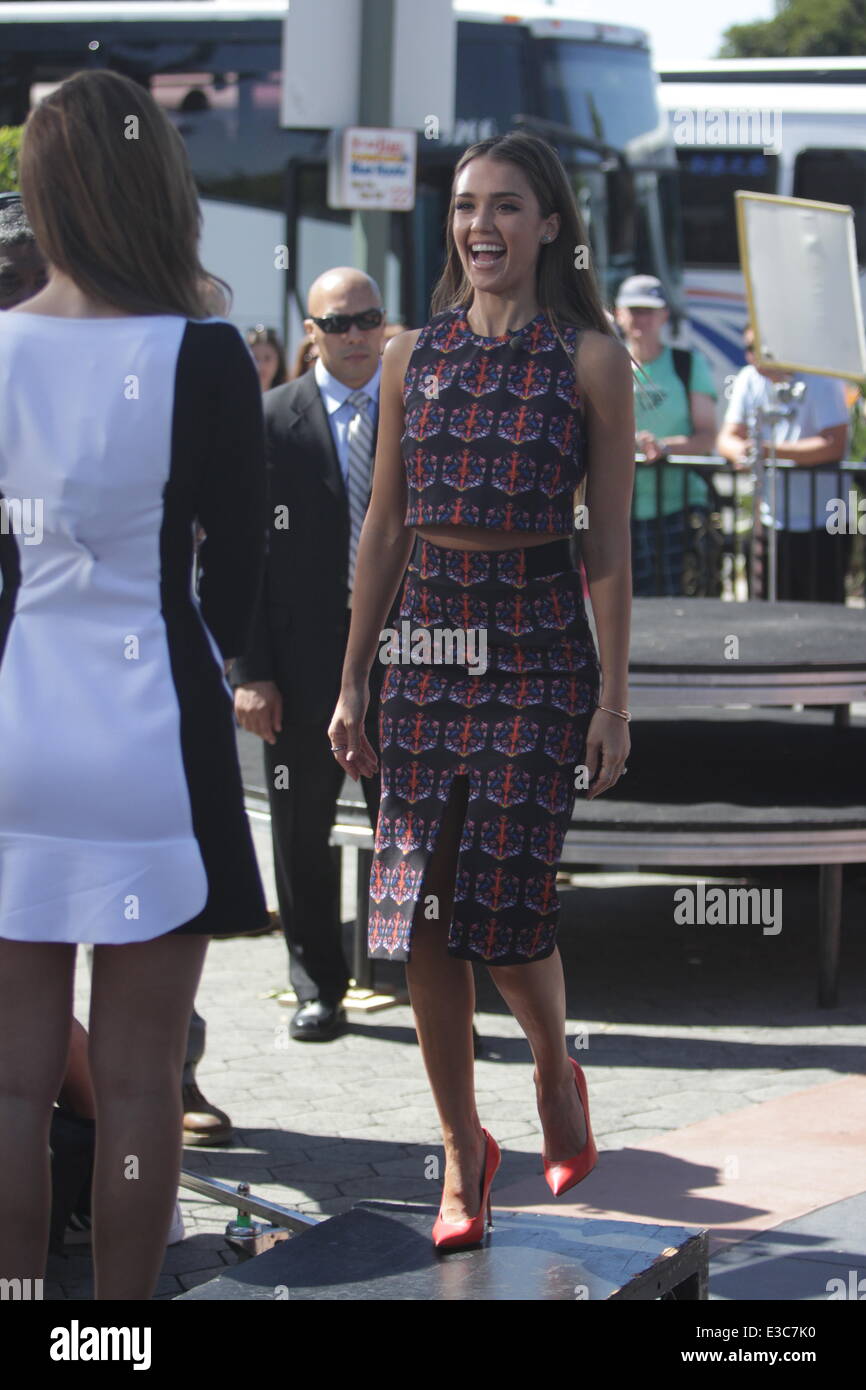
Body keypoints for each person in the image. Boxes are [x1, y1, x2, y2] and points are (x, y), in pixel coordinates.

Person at [328, 130, 633, 1248]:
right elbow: (384, 524)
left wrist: (612, 699)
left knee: (503, 915)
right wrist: (351, 676)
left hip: (539, 643)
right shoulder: (416, 351)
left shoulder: (591, 358)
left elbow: (607, 543)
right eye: (465, 206)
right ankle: (463, 1148)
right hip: (421, 645)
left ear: (549, 223)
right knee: (417, 916)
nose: (480, 227)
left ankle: (554, 1065)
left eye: (506, 206)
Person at [0, 69, 268, 1299]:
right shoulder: (208, 356)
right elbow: (243, 584)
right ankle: (114, 1333)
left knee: (8, 1078)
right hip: (151, 729)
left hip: (19, 718)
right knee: (143, 1076)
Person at [232, 269, 398, 1041]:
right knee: (300, 828)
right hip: (299, 666)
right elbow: (240, 556)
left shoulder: (415, 406)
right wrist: (250, 672)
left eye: (368, 319)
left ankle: (421, 982)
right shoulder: (268, 420)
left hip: (408, 657)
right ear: (311, 330)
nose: (356, 335)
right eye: (339, 323)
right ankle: (317, 985)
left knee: (410, 828)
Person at [716, 324, 851, 602]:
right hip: (770, 520)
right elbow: (726, 439)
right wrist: (745, 453)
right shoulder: (748, 378)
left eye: (757, 349)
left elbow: (834, 445)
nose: (751, 357)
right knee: (768, 610)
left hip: (823, 524)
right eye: (748, 349)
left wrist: (770, 452)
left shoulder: (821, 379)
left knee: (823, 611)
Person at [614, 275, 718, 595]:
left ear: (664, 316)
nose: (639, 318)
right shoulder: (607, 364)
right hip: (620, 510)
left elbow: (707, 437)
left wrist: (662, 447)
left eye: (648, 310)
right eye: (633, 310)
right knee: (627, 605)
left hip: (680, 507)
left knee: (680, 604)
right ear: (618, 314)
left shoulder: (687, 363)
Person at [246, 324, 288, 391]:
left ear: (279, 360)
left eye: (267, 358)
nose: (261, 365)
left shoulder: (290, 397)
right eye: (255, 358)